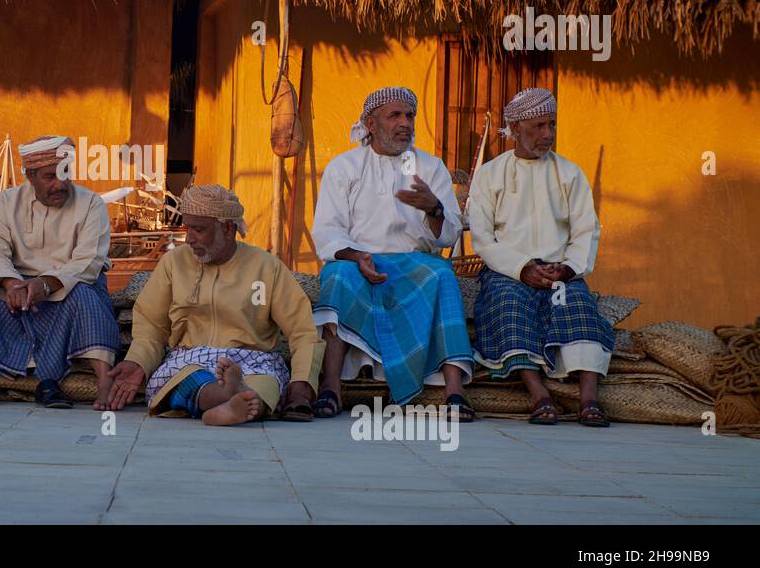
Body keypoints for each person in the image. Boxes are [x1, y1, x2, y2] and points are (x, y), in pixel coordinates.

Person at [309, 87, 476, 421]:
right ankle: (330, 387)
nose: (405, 124)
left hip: (414, 262)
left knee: (443, 275)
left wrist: (435, 209)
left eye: (410, 116)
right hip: (358, 261)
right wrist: (356, 256)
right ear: (370, 123)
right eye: (395, 115)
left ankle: (455, 393)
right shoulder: (344, 166)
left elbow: (448, 233)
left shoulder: (430, 166)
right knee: (337, 276)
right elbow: (328, 229)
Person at [104, 184, 324, 426]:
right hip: (191, 358)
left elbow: (302, 331)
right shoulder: (173, 263)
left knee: (265, 386)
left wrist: (302, 382)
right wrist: (137, 362)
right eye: (187, 228)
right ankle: (229, 399)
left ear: (227, 228)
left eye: (198, 230)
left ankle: (239, 400)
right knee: (186, 379)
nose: (189, 239)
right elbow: (151, 328)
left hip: (252, 361)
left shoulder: (265, 266)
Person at [0, 135, 120, 409]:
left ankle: (105, 384)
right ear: (30, 176)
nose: (60, 184)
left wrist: (44, 286)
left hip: (69, 287)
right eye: (50, 177)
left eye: (66, 173)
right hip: (16, 293)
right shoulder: (7, 202)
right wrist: (11, 285)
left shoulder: (91, 204)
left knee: (86, 297)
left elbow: (89, 260)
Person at [467, 88, 614, 426]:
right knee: (507, 305)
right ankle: (540, 397)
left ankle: (589, 401)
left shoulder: (570, 173)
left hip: (561, 274)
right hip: (509, 273)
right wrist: (522, 268)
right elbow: (483, 239)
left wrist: (568, 268)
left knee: (577, 306)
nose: (548, 134)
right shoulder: (490, 174)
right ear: (515, 129)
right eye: (538, 126)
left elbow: (586, 230)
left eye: (551, 125)